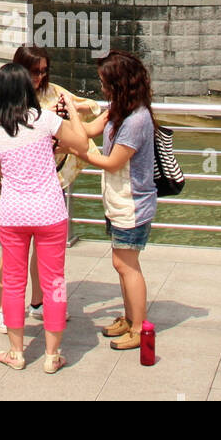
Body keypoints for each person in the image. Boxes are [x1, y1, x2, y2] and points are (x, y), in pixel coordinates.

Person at [0, 62, 89, 372]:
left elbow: (1, 169)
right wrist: (69, 105)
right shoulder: (45, 120)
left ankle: (16, 353)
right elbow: (81, 144)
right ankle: (52, 356)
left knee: (14, 283)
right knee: (54, 281)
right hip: (50, 210)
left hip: (14, 211)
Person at [8, 45, 99, 324]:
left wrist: (75, 107)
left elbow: (91, 107)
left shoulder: (53, 93)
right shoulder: (10, 96)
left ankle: (39, 303)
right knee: (12, 259)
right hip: (18, 184)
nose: (39, 77)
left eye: (44, 72)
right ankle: (6, 311)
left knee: (48, 257)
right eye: (35, 72)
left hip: (49, 181)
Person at [81, 51, 157, 352]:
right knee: (120, 263)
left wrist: (80, 154)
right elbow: (88, 130)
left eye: (104, 82)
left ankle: (139, 328)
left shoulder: (137, 119)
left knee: (127, 265)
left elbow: (113, 162)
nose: (102, 88)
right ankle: (129, 319)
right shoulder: (118, 108)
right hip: (117, 199)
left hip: (132, 203)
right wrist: (70, 113)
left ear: (119, 83)